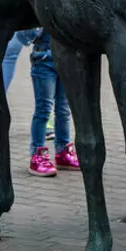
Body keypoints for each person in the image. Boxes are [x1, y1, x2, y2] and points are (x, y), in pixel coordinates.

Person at [15, 28, 78, 177]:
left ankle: (63, 151)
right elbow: (22, 34)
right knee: (43, 110)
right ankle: (37, 154)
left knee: (64, 109)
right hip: (44, 59)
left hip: (66, 58)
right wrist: (37, 33)